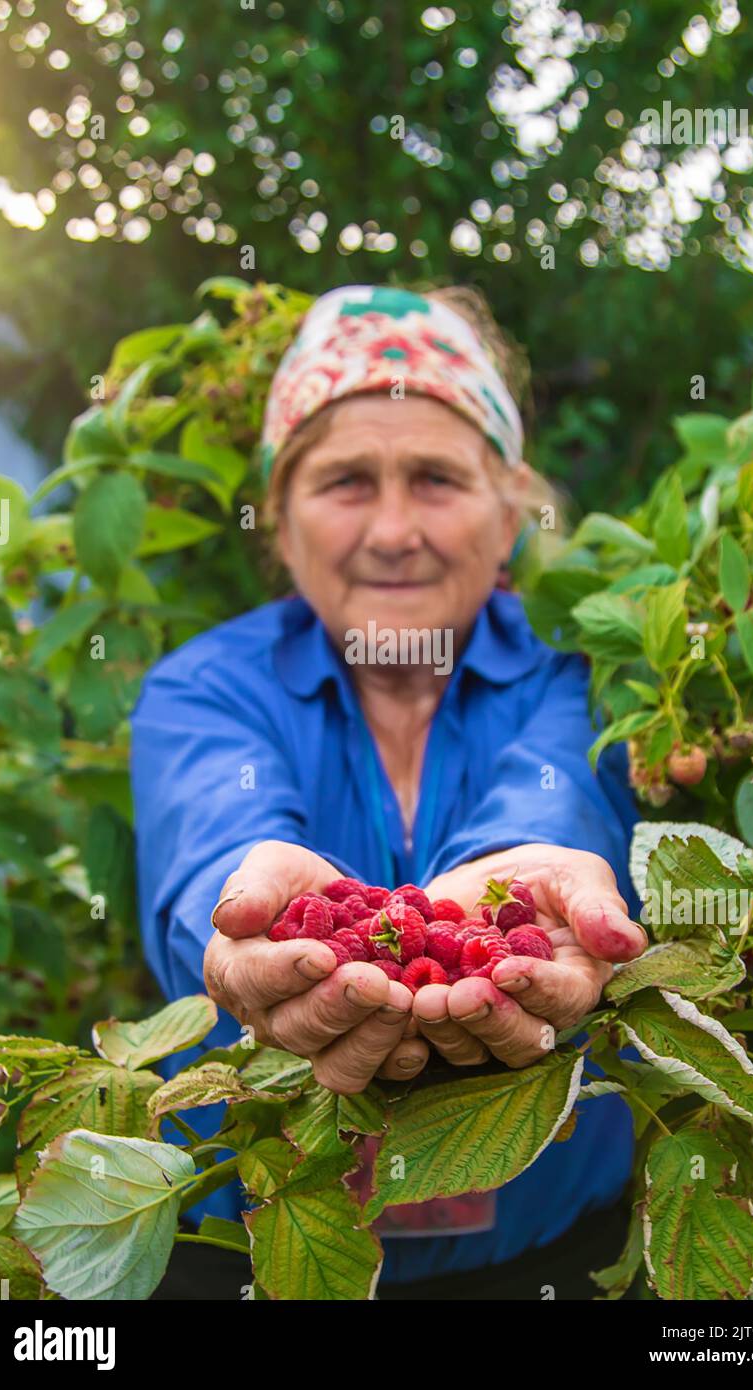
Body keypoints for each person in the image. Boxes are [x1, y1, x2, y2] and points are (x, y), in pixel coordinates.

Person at [131, 283, 648, 1300]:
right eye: (347, 482)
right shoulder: (204, 687)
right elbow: (211, 846)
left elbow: (554, 804)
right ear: (279, 522)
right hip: (250, 1252)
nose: (396, 527)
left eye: (438, 478)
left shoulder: (580, 676)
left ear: (510, 513)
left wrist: (525, 897)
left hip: (553, 1255)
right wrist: (246, 921)